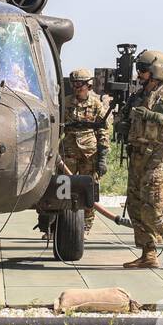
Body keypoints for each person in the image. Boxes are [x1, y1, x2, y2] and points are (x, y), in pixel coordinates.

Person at [123, 49, 163, 268]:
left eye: (142, 70)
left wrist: (153, 116)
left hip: (160, 155)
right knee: (134, 206)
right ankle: (148, 253)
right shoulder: (139, 94)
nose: (139, 74)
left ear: (156, 71)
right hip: (138, 155)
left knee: (153, 208)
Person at [56, 67, 110, 233]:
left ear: (89, 85)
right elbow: (57, 128)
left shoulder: (96, 105)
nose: (77, 87)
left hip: (89, 154)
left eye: (80, 84)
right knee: (63, 189)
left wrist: (102, 158)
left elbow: (103, 131)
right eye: (74, 84)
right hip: (68, 153)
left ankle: (86, 225)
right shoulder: (65, 103)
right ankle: (57, 225)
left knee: (89, 189)